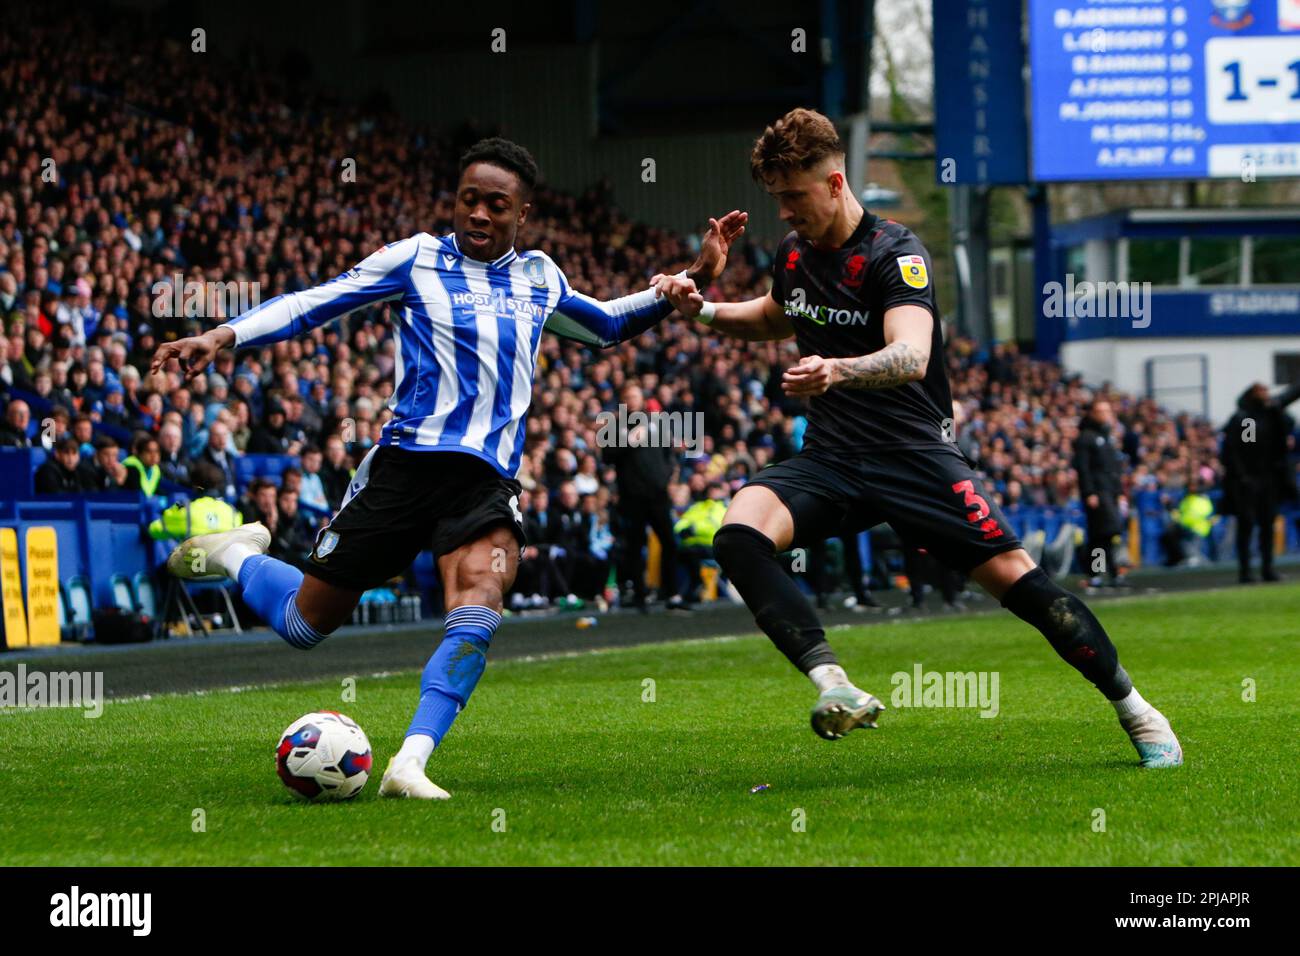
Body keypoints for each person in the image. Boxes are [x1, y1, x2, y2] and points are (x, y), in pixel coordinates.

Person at [152, 136, 743, 798]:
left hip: (484, 483)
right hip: (403, 470)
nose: (481, 215)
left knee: (480, 606)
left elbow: (605, 325)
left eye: (497, 205)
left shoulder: (540, 277)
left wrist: (695, 275)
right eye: (470, 200)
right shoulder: (415, 260)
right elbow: (314, 302)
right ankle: (236, 551)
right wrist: (223, 334)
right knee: (303, 626)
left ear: (522, 215)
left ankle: (410, 761)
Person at [652, 108, 1181, 768]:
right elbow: (772, 316)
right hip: (834, 459)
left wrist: (839, 368)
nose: (785, 212)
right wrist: (699, 306)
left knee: (1024, 587)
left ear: (836, 182)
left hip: (914, 456)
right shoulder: (794, 256)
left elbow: (912, 354)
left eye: (794, 196)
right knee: (737, 536)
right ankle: (833, 683)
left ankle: (1136, 708)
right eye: (776, 198)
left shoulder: (894, 253)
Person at [606, 382, 691, 612]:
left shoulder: (656, 422)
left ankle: (671, 593)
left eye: (635, 395)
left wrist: (670, 480)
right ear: (623, 400)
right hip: (631, 496)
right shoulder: (614, 424)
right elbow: (607, 456)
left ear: (641, 398)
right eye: (628, 396)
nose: (632, 400)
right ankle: (640, 596)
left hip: (658, 494)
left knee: (669, 543)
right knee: (635, 546)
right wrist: (629, 440)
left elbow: (668, 455)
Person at [1221, 380, 1300, 583]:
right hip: (1250, 479)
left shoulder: (1271, 413)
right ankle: (1246, 570)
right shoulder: (1248, 419)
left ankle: (1267, 567)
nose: (1266, 394)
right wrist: (1245, 476)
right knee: (1247, 524)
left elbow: (1288, 400)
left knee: (1268, 524)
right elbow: (1248, 447)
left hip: (1269, 478)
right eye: (1261, 391)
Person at [1073, 399, 1129, 588]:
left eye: (1108, 411)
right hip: (1098, 492)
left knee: (1103, 535)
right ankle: (1102, 572)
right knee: (1105, 532)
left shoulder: (1107, 438)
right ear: (1092, 414)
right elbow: (1084, 468)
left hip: (1110, 492)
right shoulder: (1086, 438)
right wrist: (1089, 492)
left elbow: (1114, 468)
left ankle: (1103, 573)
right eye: (1101, 411)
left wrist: (1119, 491)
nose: (1106, 415)